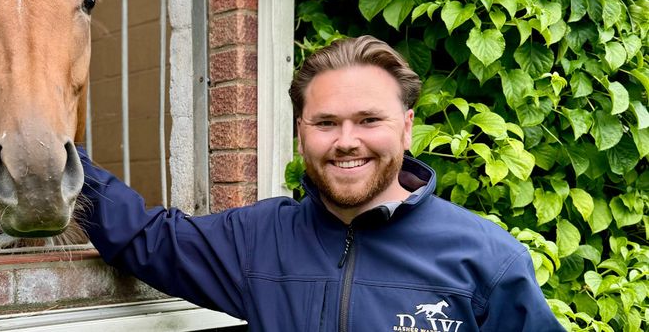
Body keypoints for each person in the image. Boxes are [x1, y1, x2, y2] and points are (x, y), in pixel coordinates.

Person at [78, 35, 564, 331]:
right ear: (301, 132)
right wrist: (55, 156)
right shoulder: (258, 240)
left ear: (408, 126)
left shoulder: (487, 259)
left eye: (369, 119)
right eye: (326, 122)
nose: (347, 141)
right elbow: (145, 237)